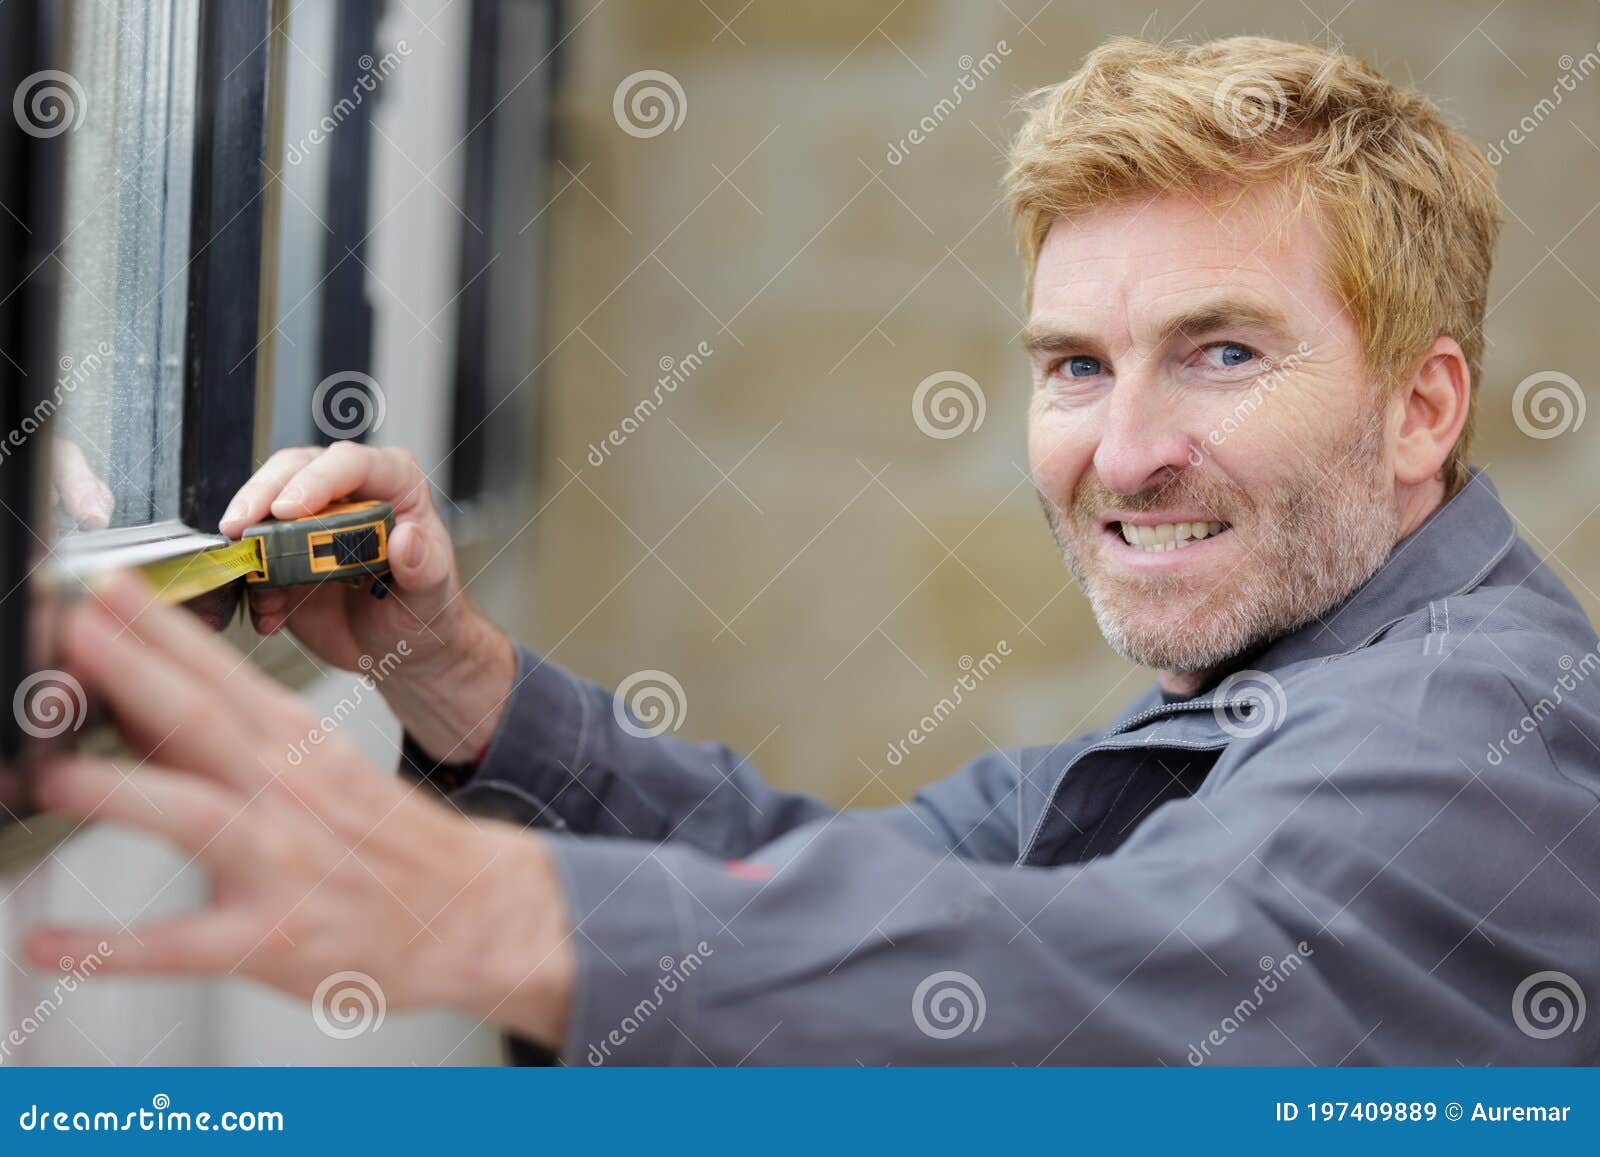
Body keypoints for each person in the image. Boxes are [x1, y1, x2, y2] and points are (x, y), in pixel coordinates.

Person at [25, 35, 1600, 1065]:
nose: (1121, 454)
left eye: (1224, 354)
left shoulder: (1475, 731)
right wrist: (465, 685)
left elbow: (1146, 985)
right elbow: (883, 887)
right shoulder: (1281, 675)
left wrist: (511, 916)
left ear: (1420, 408)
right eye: (1073, 364)